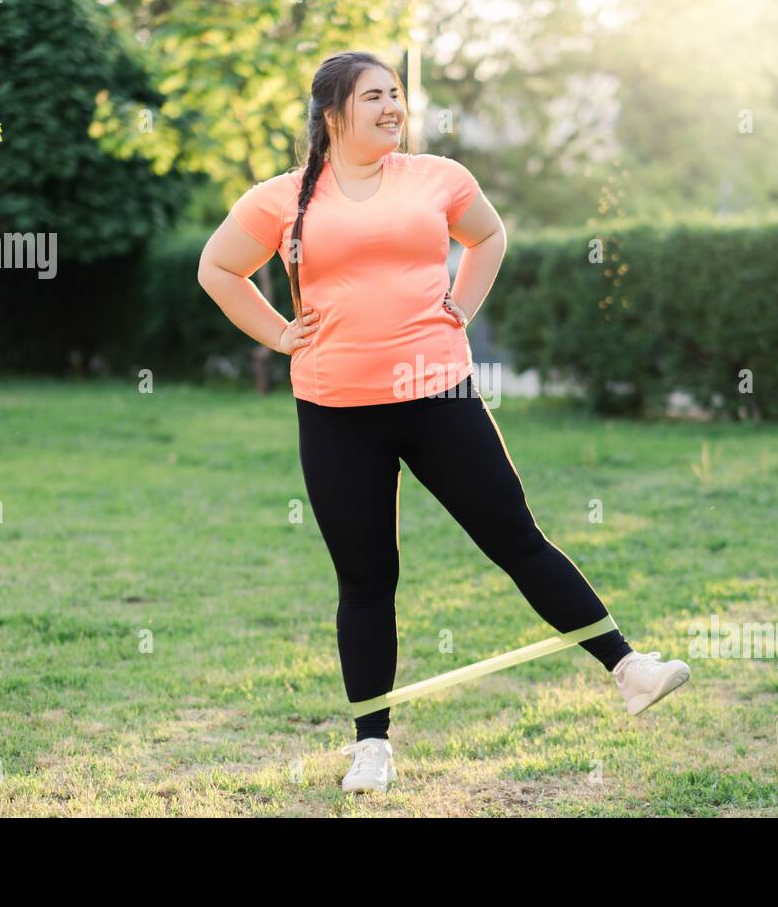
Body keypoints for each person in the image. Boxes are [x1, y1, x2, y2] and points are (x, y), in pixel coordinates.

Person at [197, 50, 690, 794]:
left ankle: (628, 668)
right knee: (367, 580)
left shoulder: (438, 177)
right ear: (333, 114)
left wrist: (462, 303)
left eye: (396, 94)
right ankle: (371, 746)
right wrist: (277, 334)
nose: (392, 106)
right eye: (374, 96)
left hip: (440, 396)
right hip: (336, 413)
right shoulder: (281, 198)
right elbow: (217, 268)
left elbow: (487, 237)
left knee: (517, 539)